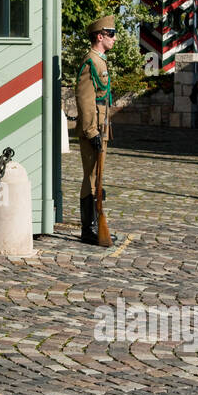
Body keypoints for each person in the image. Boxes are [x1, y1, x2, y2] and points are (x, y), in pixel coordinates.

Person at [75, 16, 116, 245]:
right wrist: (91, 131)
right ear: (99, 36)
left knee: (98, 176)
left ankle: (94, 222)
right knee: (91, 177)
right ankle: (88, 228)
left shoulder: (100, 61)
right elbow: (85, 99)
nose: (114, 39)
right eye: (111, 34)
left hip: (102, 126)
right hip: (94, 127)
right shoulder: (90, 61)